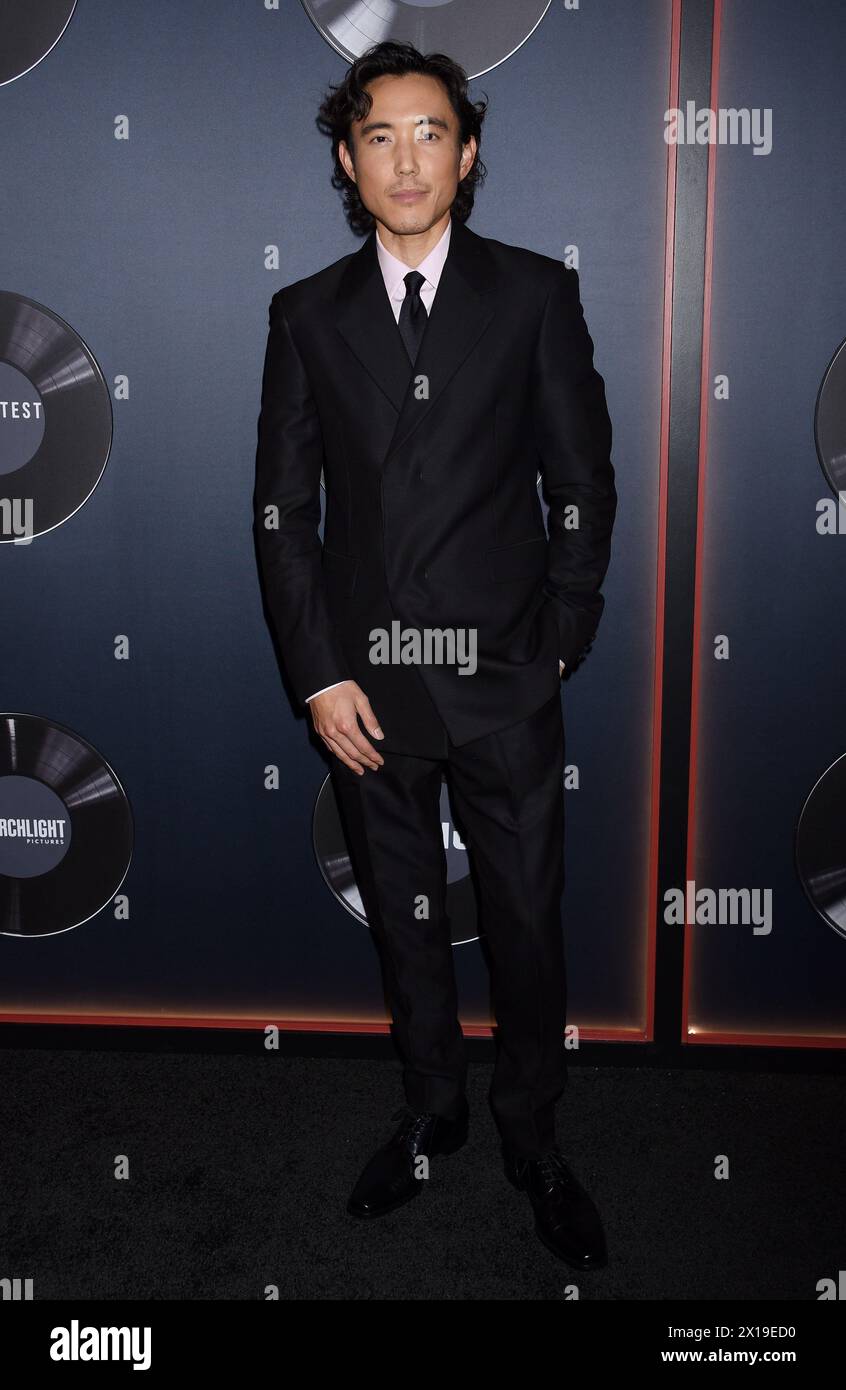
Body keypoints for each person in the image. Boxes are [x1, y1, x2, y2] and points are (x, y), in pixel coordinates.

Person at [253, 40, 617, 1270]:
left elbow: (580, 478)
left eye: (428, 133)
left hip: (508, 680)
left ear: (467, 155)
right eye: (377, 136)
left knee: (524, 920)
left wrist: (564, 631)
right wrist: (317, 673)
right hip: (364, 694)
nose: (405, 158)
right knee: (407, 923)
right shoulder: (305, 315)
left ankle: (534, 1133)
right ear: (349, 165)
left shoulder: (531, 296)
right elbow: (282, 515)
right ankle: (430, 1113)